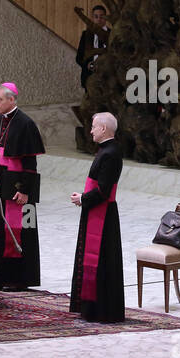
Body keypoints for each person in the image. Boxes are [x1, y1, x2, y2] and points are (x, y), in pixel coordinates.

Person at [0, 83, 44, 291]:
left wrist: (25, 190)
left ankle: (17, 279)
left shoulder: (26, 124)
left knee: (18, 230)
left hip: (17, 189)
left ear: (11, 99)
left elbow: (30, 162)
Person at [70, 113, 125, 322]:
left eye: (93, 127)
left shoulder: (111, 153)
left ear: (103, 128)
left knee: (102, 262)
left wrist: (83, 198)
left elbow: (103, 190)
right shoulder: (106, 150)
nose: (91, 130)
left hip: (103, 215)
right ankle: (91, 308)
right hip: (95, 211)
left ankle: (102, 310)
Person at [75, 5, 110, 88]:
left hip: (108, 76)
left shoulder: (112, 34)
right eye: (96, 17)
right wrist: (87, 65)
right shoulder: (86, 35)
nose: (99, 19)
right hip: (90, 76)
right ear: (93, 18)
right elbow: (79, 57)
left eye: (101, 17)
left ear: (106, 18)